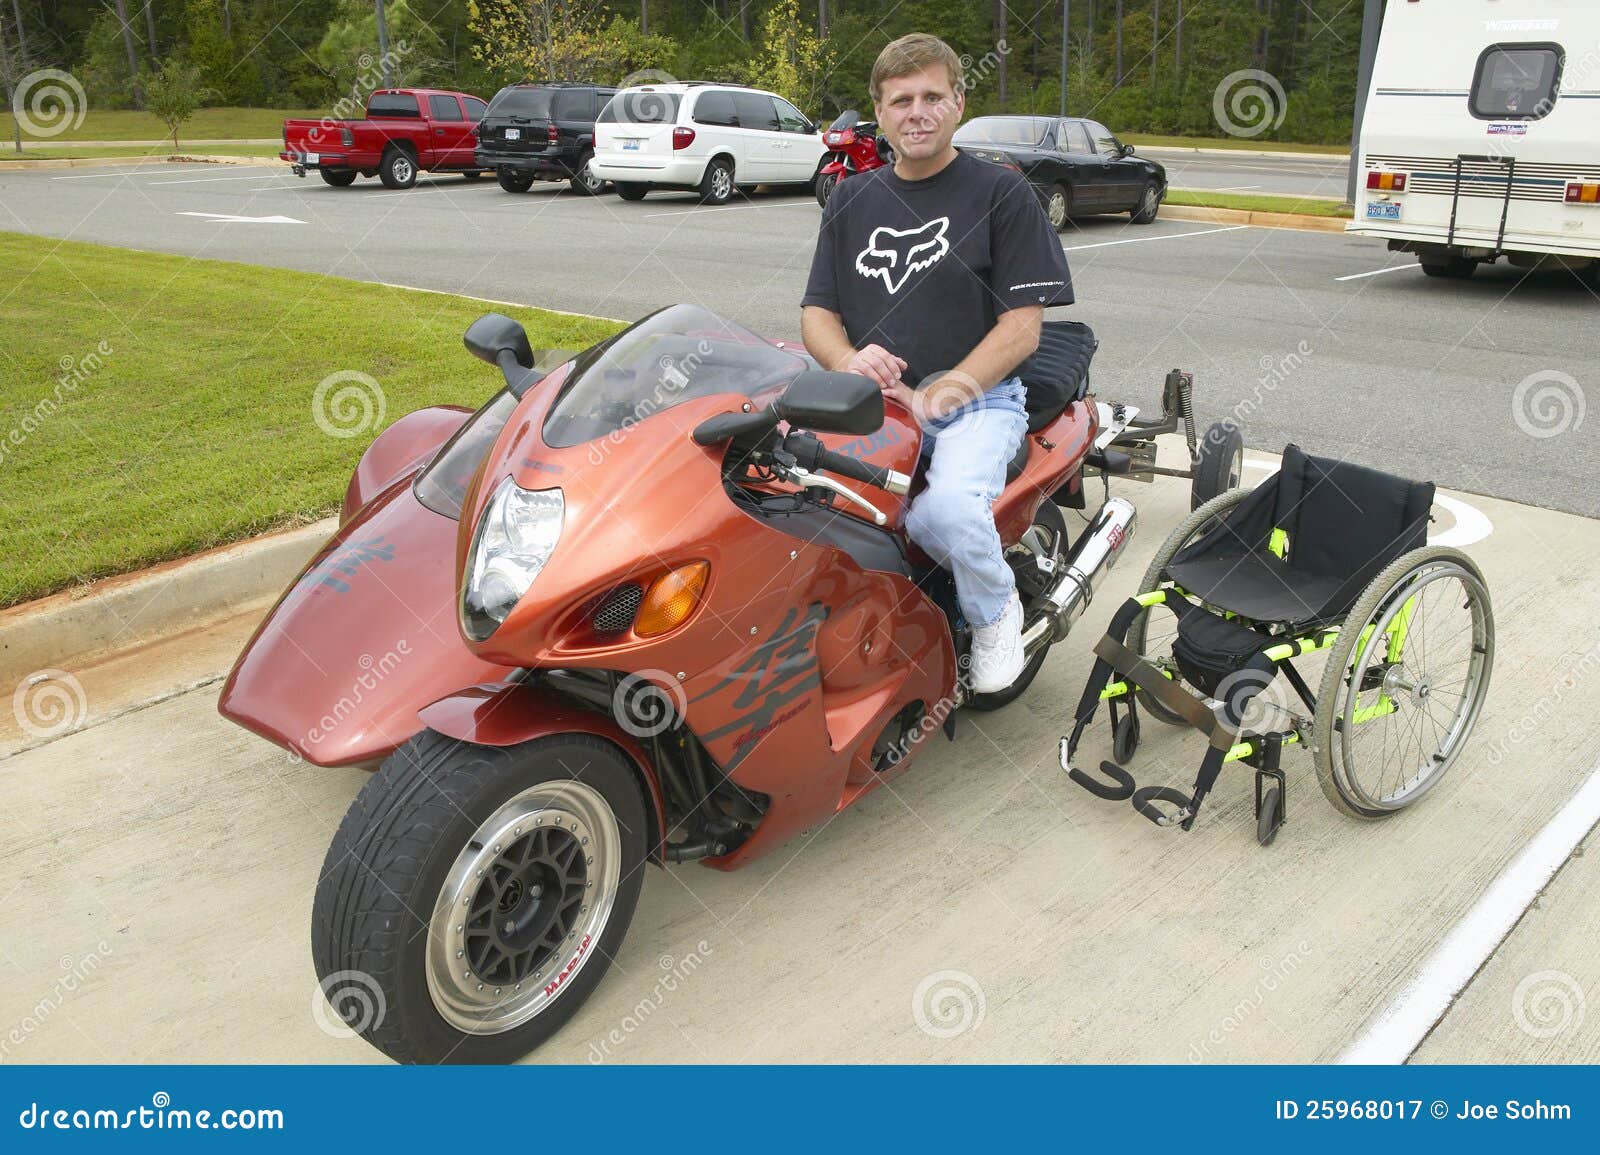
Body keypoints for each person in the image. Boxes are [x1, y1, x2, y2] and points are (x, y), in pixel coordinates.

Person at [800, 32, 1075, 693]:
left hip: (978, 404)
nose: (916, 111)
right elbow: (817, 314)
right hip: (877, 406)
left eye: (931, 96)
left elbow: (1023, 329)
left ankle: (995, 611)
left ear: (958, 102)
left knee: (940, 513)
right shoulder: (851, 199)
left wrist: (947, 391)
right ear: (880, 111)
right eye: (900, 99)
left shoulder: (1000, 194)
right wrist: (846, 356)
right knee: (805, 509)